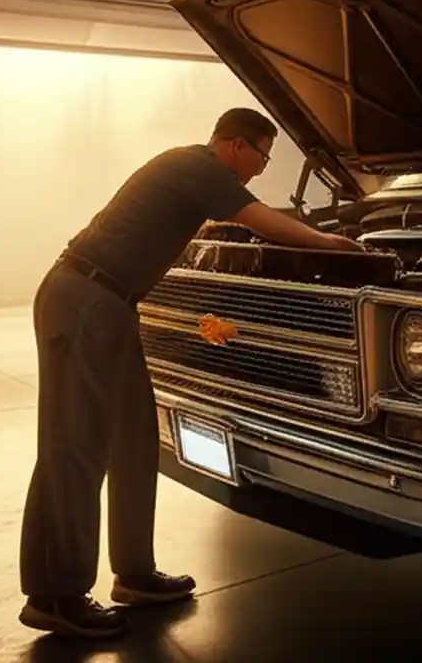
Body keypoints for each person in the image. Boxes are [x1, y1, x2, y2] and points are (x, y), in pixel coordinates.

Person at [18, 108, 361, 638]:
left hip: (113, 304)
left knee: (135, 439)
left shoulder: (197, 175)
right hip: (85, 298)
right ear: (236, 146)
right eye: (263, 157)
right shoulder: (197, 167)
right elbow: (263, 221)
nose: (259, 171)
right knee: (75, 447)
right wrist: (335, 244)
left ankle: (133, 573)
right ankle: (55, 595)